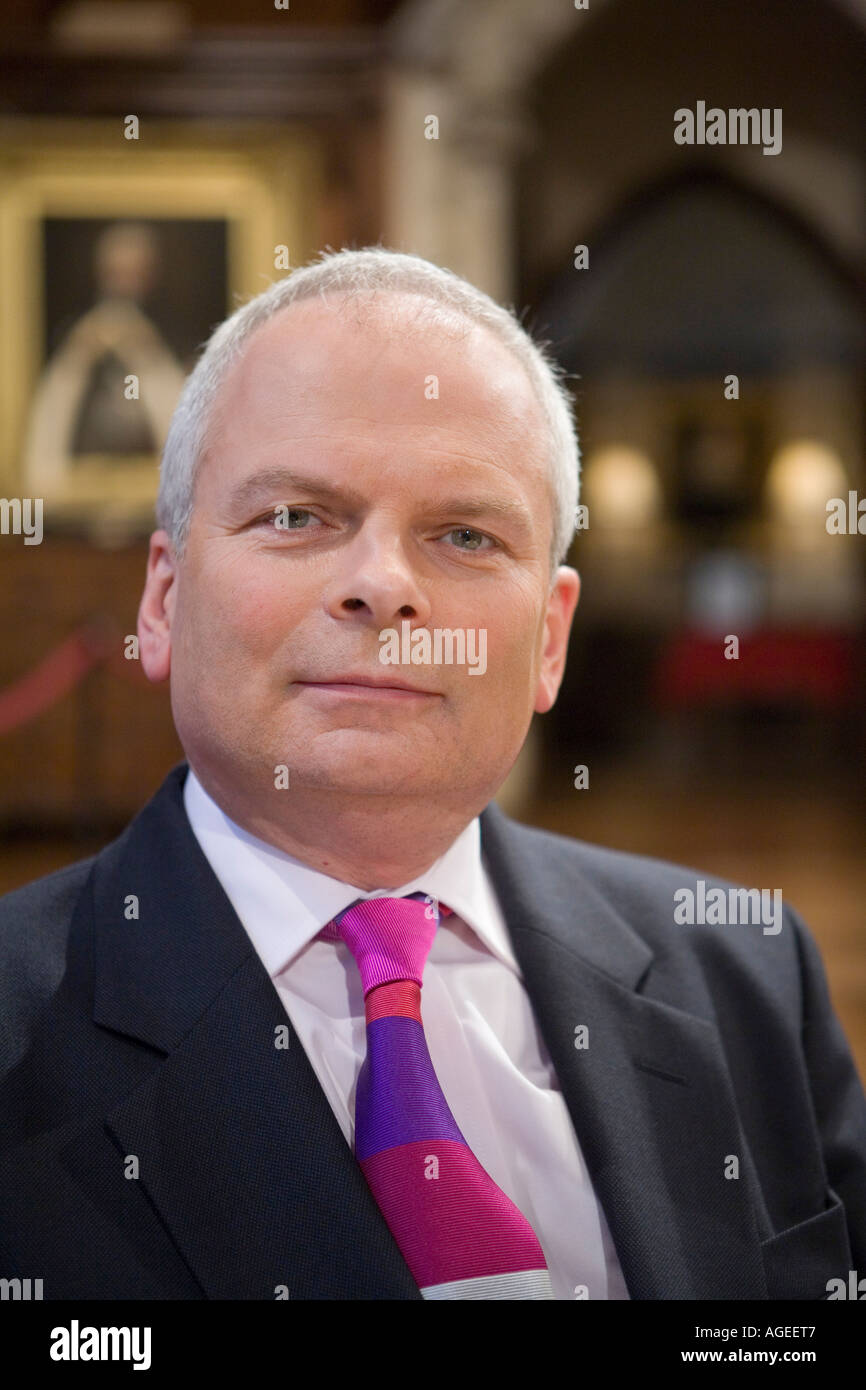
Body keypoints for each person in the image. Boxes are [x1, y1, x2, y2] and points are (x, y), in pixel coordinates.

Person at [1, 247, 864, 1301]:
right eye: (296, 517)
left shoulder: (744, 972)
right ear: (161, 600)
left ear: (548, 641)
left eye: (463, 534)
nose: (380, 586)